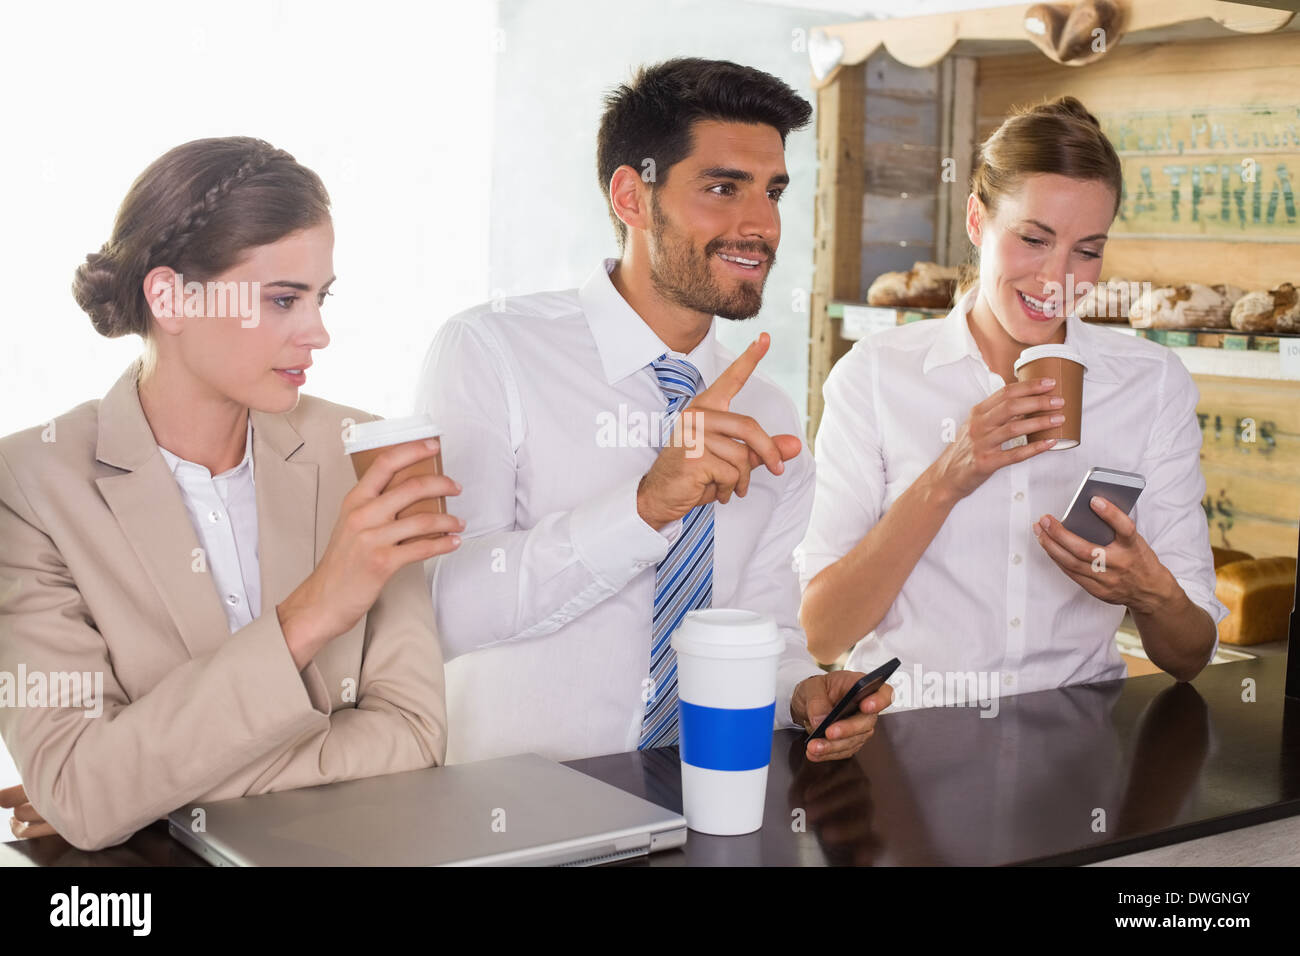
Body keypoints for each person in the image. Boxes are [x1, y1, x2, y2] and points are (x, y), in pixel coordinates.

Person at [417, 57, 892, 765]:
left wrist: (802, 693)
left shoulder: (767, 413)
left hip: (707, 809)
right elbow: (444, 612)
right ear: (632, 197)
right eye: (723, 188)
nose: (761, 224)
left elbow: (762, 632)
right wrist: (643, 507)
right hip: (521, 823)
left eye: (773, 192)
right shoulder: (491, 352)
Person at [0, 137, 463, 851]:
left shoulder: (364, 453)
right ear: (170, 297)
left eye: (320, 298)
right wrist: (313, 611)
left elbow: (412, 737)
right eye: (283, 299)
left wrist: (140, 787)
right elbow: (84, 792)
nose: (319, 332)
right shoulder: (33, 483)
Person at [797, 96, 1227, 705]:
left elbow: (1188, 657)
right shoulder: (873, 376)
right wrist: (947, 476)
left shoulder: (1150, 384)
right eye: (1033, 238)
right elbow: (822, 631)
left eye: (1088, 249)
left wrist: (1148, 590)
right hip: (909, 742)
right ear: (977, 220)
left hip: (1079, 751)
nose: (1058, 278)